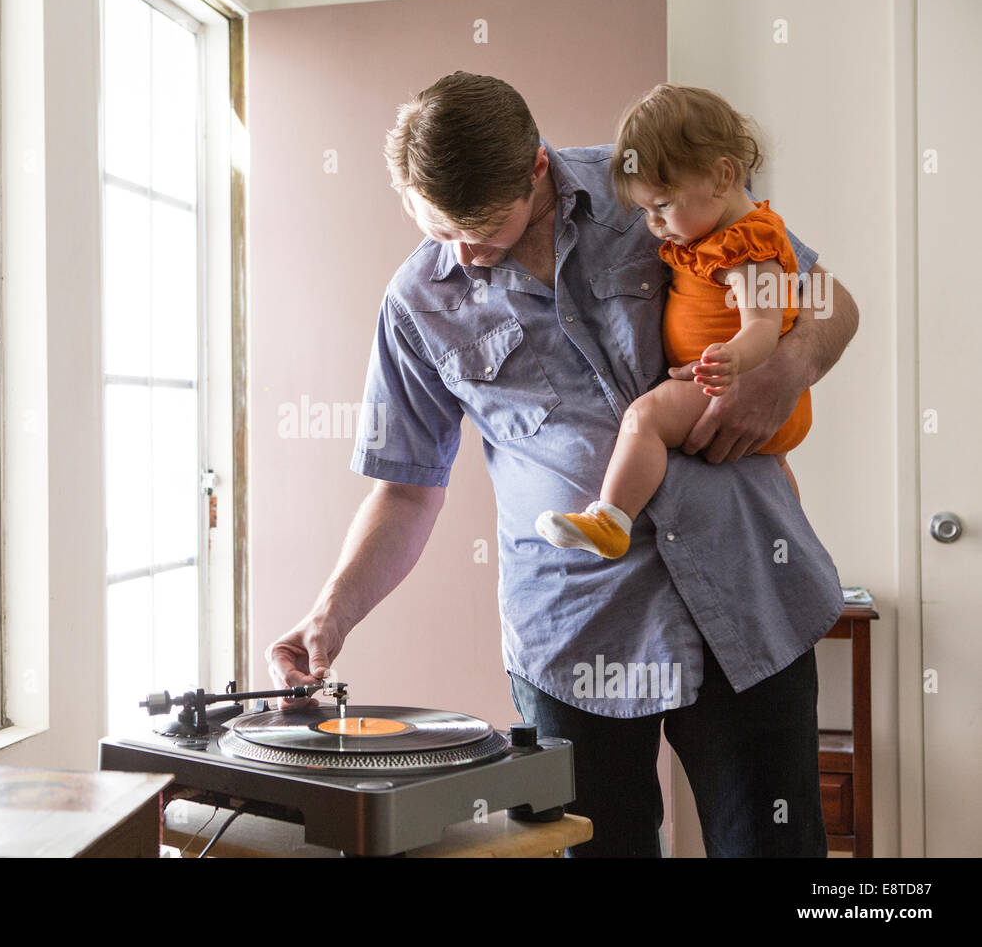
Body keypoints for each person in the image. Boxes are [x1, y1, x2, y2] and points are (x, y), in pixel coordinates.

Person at [265, 72, 856, 857]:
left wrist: (784, 374)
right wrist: (328, 616)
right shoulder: (418, 302)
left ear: (537, 165)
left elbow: (827, 301)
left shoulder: (647, 186)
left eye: (480, 228)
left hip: (747, 597)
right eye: (439, 231)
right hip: (575, 635)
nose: (463, 254)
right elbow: (405, 491)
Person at [536, 84, 809, 560]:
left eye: (661, 205)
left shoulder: (751, 249)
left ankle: (610, 521)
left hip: (731, 381)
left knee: (645, 417)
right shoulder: (709, 235)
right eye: (645, 211)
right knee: (775, 476)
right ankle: (787, 546)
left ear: (722, 176)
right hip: (724, 381)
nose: (653, 225)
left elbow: (764, 326)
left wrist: (734, 357)